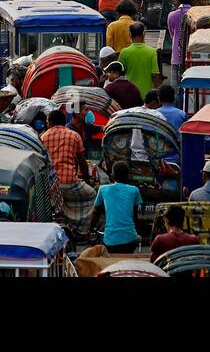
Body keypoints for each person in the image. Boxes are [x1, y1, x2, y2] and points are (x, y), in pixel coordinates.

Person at [41, 107, 96, 238]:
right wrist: (88, 181)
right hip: (70, 182)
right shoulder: (74, 135)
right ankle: (82, 229)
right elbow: (82, 162)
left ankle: (64, 220)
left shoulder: (43, 137)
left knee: (59, 199)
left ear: (50, 122)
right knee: (92, 194)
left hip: (51, 186)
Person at [91, 160, 144, 253]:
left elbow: (96, 212)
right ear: (128, 175)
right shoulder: (134, 190)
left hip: (110, 240)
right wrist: (137, 233)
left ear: (112, 175)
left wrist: (90, 230)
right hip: (130, 240)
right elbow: (135, 216)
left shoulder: (103, 189)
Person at [118, 21, 160, 96]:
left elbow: (119, 73)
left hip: (129, 94)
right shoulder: (152, 52)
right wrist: (160, 91)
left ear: (130, 35)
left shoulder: (124, 52)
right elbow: (155, 75)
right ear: (143, 34)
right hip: (145, 96)